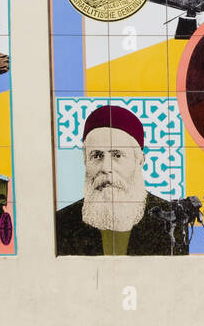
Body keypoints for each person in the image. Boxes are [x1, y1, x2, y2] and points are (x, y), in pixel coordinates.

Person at [54, 105, 185, 256]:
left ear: (140, 160)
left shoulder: (175, 220)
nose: (106, 167)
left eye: (117, 155)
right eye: (96, 156)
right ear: (85, 161)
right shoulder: (60, 223)